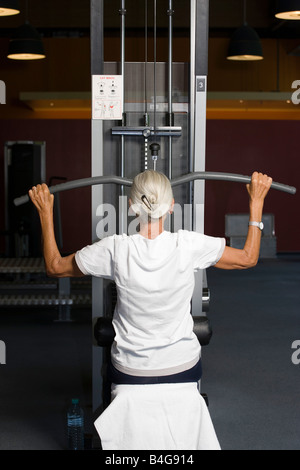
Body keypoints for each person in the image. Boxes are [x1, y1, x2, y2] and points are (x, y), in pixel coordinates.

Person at [29, 170, 272, 450]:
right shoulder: (189, 244)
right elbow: (247, 258)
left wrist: (46, 212)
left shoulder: (115, 249)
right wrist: (256, 203)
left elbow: (55, 267)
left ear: (132, 208)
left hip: (131, 370)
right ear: (171, 207)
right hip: (183, 368)